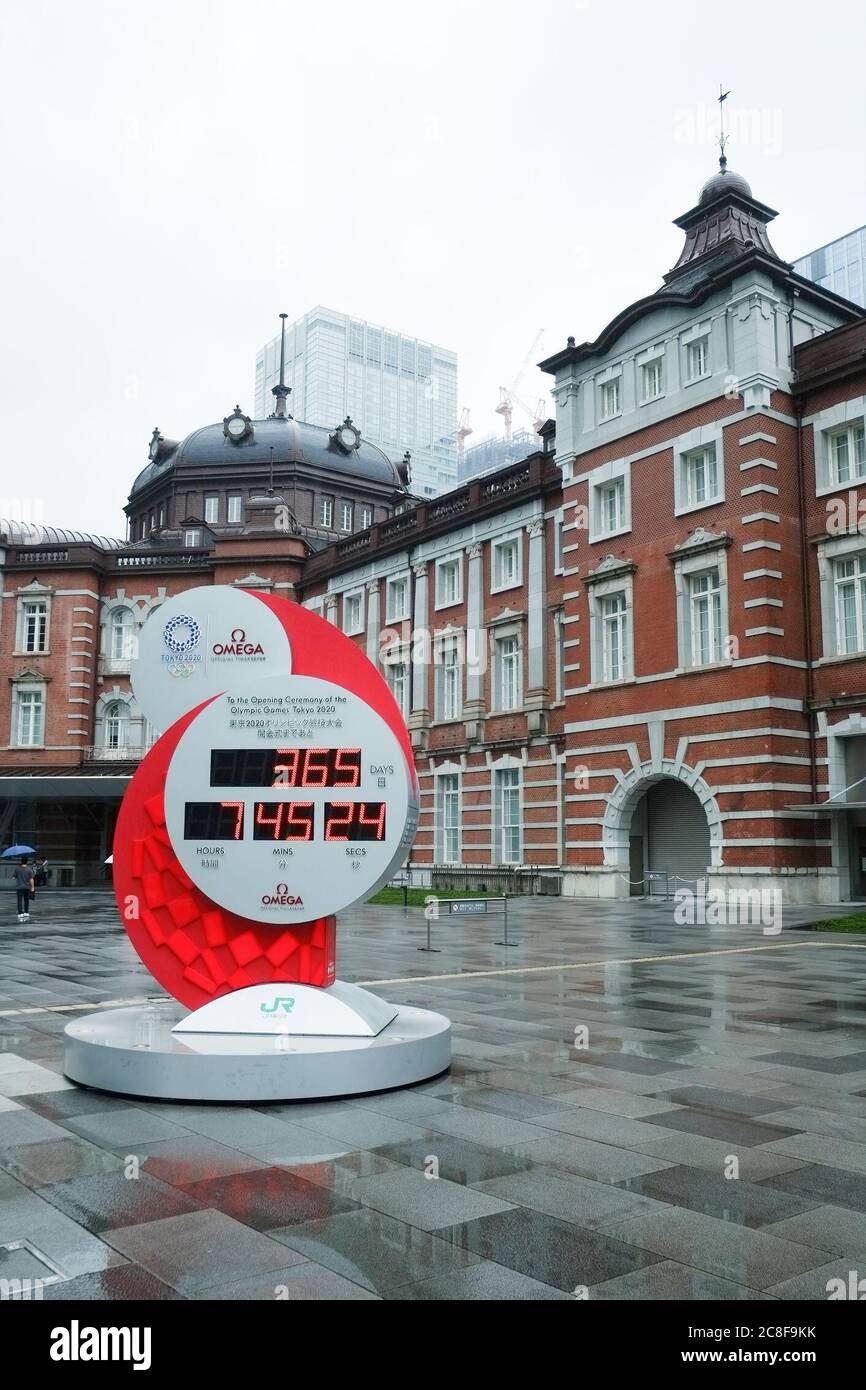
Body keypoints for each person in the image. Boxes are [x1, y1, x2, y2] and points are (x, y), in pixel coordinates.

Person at [13, 857, 35, 922]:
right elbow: (31, 879)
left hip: (19, 887)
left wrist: (15, 877)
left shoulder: (17, 869)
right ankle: (26, 912)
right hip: (27, 887)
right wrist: (32, 887)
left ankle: (20, 913)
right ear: (27, 862)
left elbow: (14, 877)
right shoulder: (29, 869)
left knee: (19, 901)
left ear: (21, 862)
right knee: (26, 900)